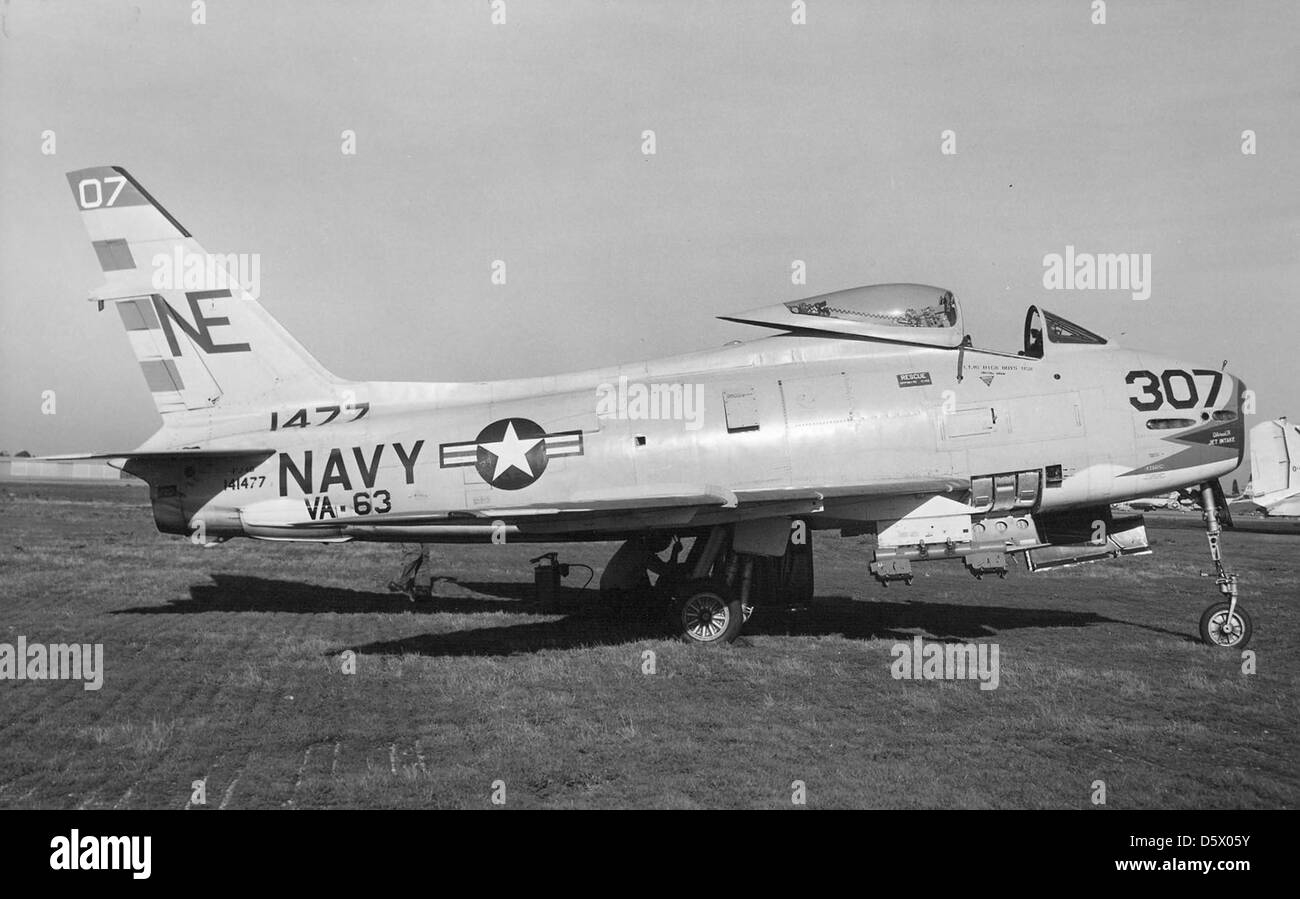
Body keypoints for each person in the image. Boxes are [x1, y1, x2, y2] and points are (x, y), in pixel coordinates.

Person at [599, 535, 680, 614]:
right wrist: (675, 552)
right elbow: (666, 571)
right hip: (618, 596)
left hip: (607, 591)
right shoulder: (643, 552)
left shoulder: (633, 544)